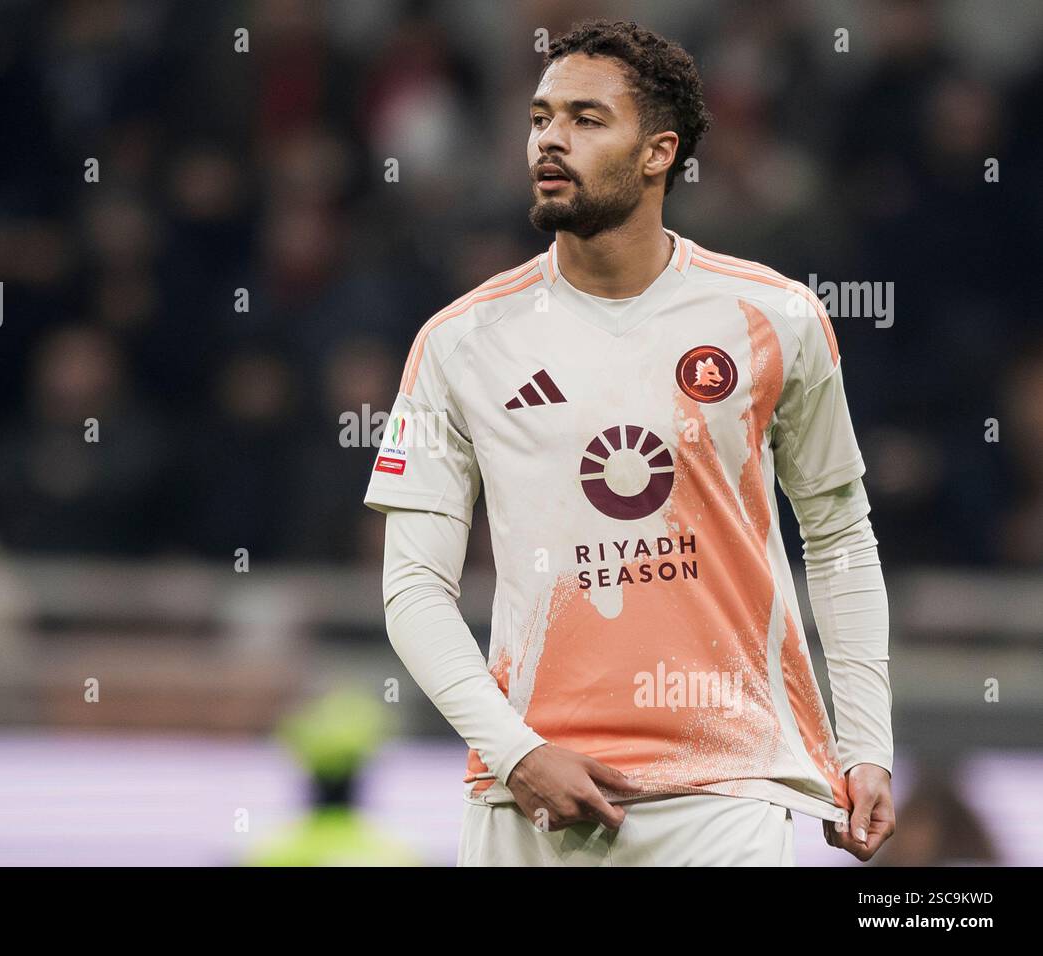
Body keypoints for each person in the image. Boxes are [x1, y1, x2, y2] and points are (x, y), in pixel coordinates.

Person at [364, 19, 894, 866]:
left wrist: (866, 743)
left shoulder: (777, 318)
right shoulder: (458, 341)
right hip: (530, 790)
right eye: (540, 118)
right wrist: (516, 751)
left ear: (658, 153)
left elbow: (838, 535)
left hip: (728, 780)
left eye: (584, 118)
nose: (548, 139)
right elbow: (413, 587)